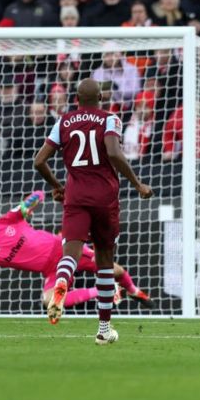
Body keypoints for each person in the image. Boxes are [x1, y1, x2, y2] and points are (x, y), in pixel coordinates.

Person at [33, 78, 153, 344]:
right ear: (101, 97)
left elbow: (39, 160)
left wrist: (57, 186)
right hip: (105, 199)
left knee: (70, 254)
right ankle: (103, 329)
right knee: (105, 263)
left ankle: (61, 284)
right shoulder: (110, 119)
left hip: (75, 197)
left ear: (76, 98)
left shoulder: (63, 122)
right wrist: (136, 183)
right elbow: (113, 152)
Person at [0, 192, 154, 310]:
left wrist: (30, 202)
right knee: (49, 302)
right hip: (50, 270)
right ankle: (104, 291)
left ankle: (134, 291)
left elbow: (38, 195)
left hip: (65, 250)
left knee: (114, 269)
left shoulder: (8, 220)